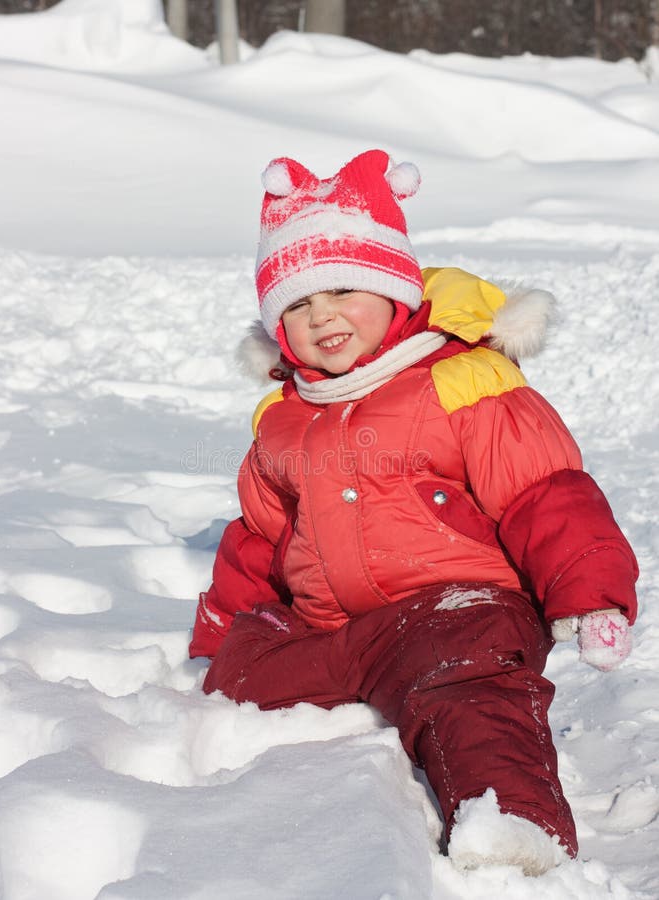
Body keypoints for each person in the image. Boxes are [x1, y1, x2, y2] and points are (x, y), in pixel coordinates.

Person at [189, 149, 638, 875]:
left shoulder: (460, 383)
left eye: (342, 289)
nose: (321, 315)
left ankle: (513, 820)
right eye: (297, 304)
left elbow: (543, 493)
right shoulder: (284, 417)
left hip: (462, 608)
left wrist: (589, 598)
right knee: (243, 673)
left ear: (394, 289)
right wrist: (218, 638)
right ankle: (346, 691)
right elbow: (262, 537)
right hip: (344, 629)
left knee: (467, 681)